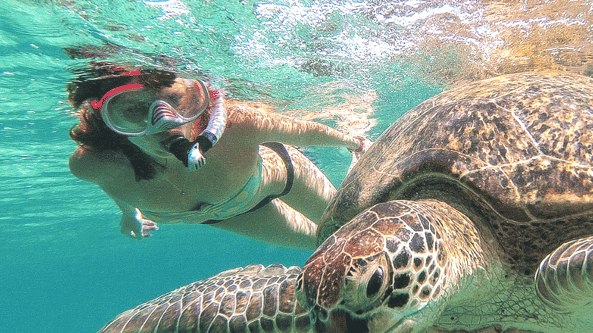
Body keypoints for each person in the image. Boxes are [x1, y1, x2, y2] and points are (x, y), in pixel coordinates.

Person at [66, 65, 369, 249]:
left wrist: (351, 142)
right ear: (108, 118)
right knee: (327, 244)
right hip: (232, 215)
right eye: (133, 109)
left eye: (174, 100)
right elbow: (112, 185)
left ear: (195, 96)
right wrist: (129, 215)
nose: (166, 121)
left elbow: (305, 132)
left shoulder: (238, 123)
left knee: (354, 230)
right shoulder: (92, 164)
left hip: (283, 177)